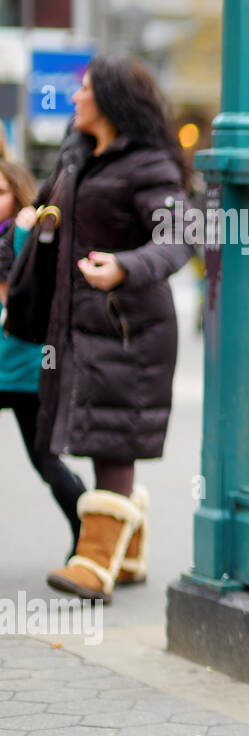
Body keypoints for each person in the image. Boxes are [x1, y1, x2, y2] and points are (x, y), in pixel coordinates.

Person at [0, 55, 194, 602]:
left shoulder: (149, 164)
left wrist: (126, 266)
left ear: (109, 100)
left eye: (84, 89)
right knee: (80, 430)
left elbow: (180, 237)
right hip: (72, 325)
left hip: (126, 327)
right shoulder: (75, 158)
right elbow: (48, 214)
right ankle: (127, 553)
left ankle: (94, 560)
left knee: (113, 438)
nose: (76, 97)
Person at [0, 158, 88, 557]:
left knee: (46, 463)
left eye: (0, 192)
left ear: (16, 193)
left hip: (22, 369)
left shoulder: (30, 234)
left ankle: (93, 535)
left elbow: (27, 289)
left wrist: (22, 234)